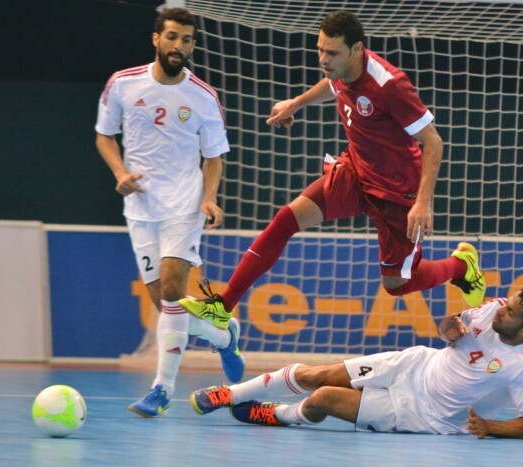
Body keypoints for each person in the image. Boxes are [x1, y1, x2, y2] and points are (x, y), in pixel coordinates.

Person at [179, 10, 486, 329]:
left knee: (398, 285)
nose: (324, 59)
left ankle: (461, 266)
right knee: (286, 220)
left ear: (357, 50)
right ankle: (224, 305)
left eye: (333, 52)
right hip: (356, 170)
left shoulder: (389, 85)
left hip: (398, 191)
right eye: (320, 49)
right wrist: (296, 103)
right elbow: (332, 84)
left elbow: (433, 142)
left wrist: (422, 203)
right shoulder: (340, 69)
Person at [95, 7, 244, 417]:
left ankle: (161, 390)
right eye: (173, 37)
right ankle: (221, 334)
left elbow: (214, 157)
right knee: (165, 306)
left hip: (183, 202)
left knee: (176, 290)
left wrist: (210, 197)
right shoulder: (123, 85)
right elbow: (104, 135)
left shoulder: (203, 96)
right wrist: (121, 171)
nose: (180, 46)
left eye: (188, 40)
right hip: (141, 207)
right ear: (156, 39)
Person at [188, 288, 523, 439]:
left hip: (422, 414)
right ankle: (229, 393)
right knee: (317, 374)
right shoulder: (493, 307)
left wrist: (490, 426)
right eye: (506, 304)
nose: (501, 310)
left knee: (322, 399)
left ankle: (280, 414)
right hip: (414, 364)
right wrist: (450, 329)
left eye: (510, 313)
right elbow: (448, 326)